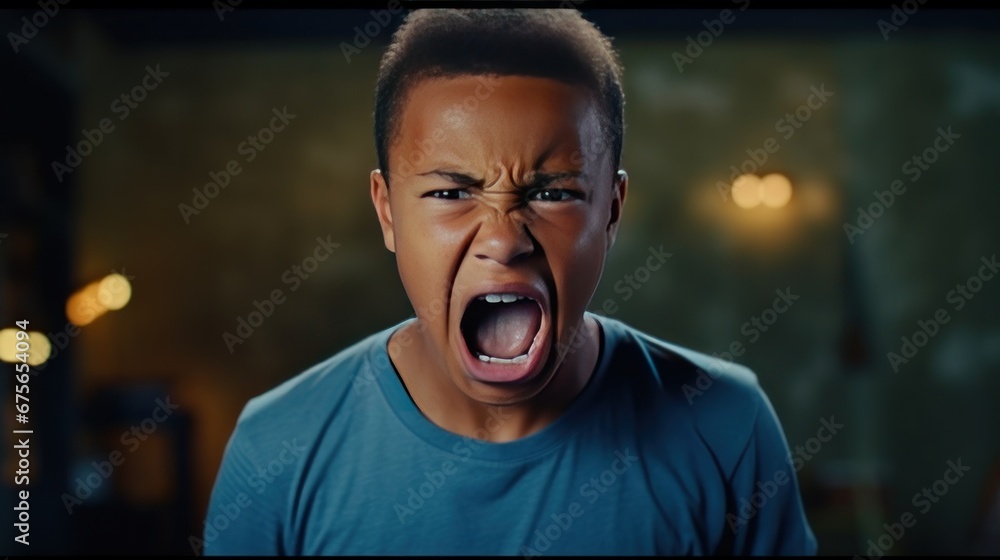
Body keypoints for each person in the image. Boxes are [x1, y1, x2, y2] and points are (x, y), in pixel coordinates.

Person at [202, 8, 818, 556]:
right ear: (387, 212)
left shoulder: (725, 425)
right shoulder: (277, 449)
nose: (503, 240)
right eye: (451, 194)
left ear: (611, 211)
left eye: (553, 194)